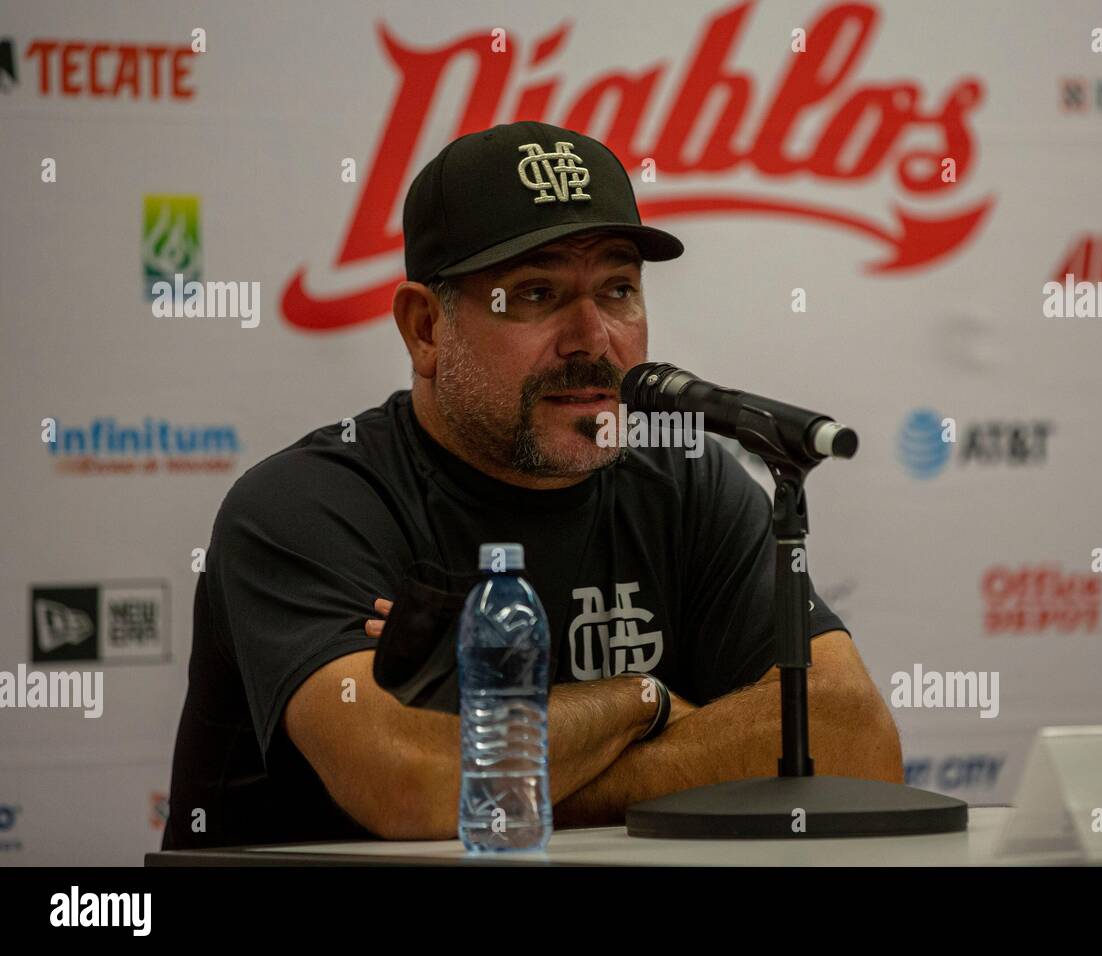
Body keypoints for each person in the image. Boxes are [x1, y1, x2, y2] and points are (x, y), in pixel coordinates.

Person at [162, 121, 901, 849]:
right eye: (537, 293)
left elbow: (853, 740)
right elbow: (411, 781)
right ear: (425, 328)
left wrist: (521, 772)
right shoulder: (309, 506)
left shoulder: (688, 484)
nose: (592, 339)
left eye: (617, 289)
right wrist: (641, 702)